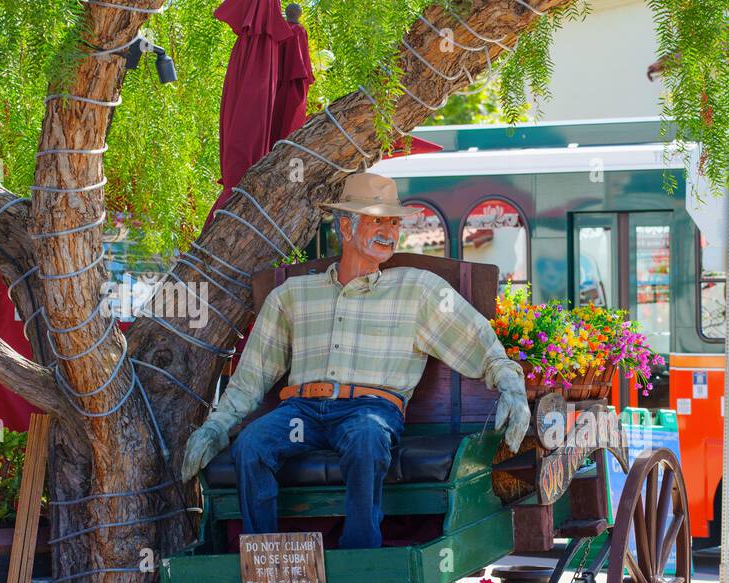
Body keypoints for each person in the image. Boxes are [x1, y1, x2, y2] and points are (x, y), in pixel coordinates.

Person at [180, 172, 530, 549]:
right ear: (346, 227)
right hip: (302, 412)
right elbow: (251, 377)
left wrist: (511, 385)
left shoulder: (417, 289)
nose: (388, 231)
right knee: (251, 445)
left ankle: (361, 556)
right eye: (377, 219)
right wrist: (216, 428)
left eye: (393, 221)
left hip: (372, 409)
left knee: (367, 438)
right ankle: (266, 557)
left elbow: (476, 339)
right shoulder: (293, 295)